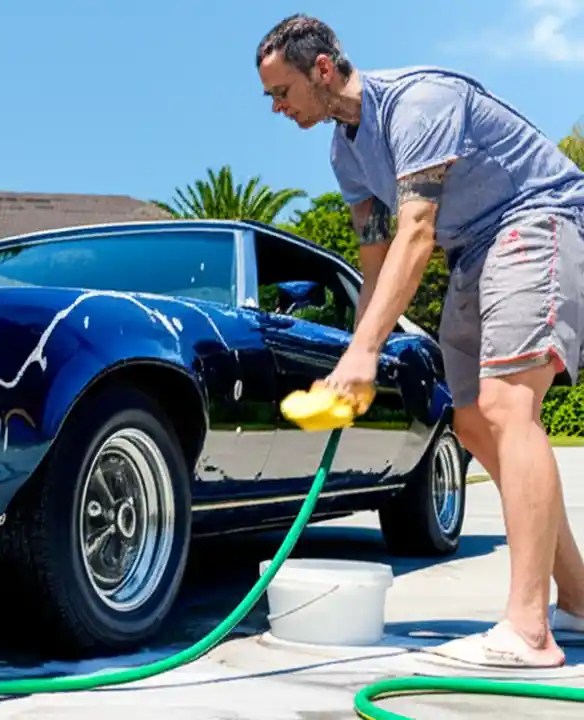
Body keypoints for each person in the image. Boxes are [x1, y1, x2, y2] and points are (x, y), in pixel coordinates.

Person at [255, 14, 584, 668]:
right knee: (470, 425)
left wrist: (367, 353)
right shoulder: (344, 152)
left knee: (507, 409)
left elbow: (415, 232)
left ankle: (528, 631)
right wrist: (356, 353)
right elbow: (377, 258)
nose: (277, 107)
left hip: (533, 221)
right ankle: (577, 601)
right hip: (471, 254)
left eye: (281, 91)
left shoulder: (417, 102)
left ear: (322, 69)